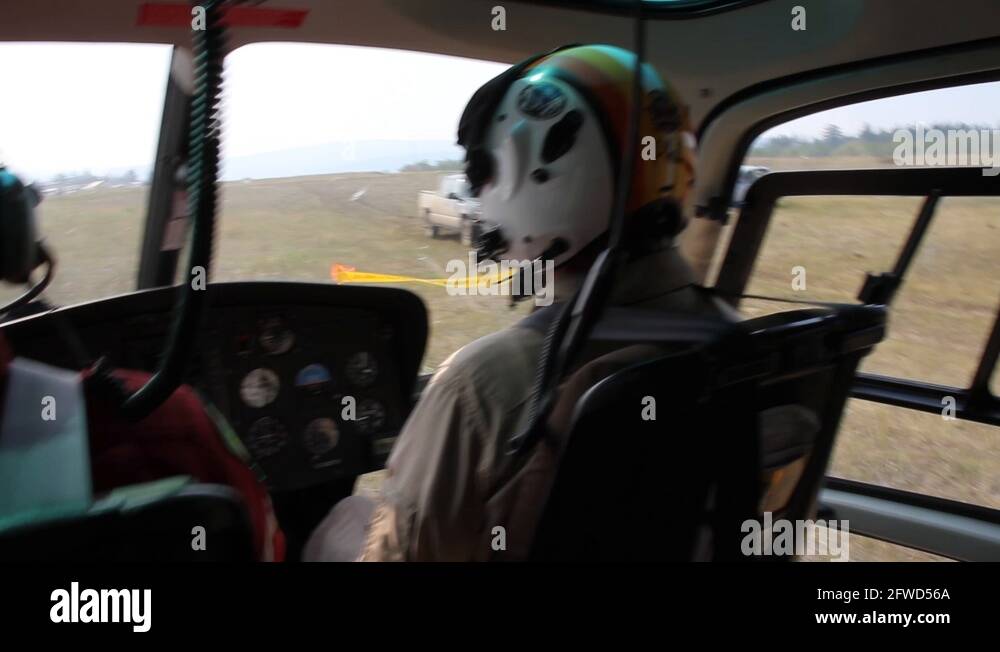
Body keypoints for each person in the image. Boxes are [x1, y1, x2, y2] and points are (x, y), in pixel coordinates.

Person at [304, 44, 736, 561]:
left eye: (484, 170)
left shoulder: (479, 386)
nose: (479, 194)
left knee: (338, 523)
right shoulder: (733, 339)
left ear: (536, 174)